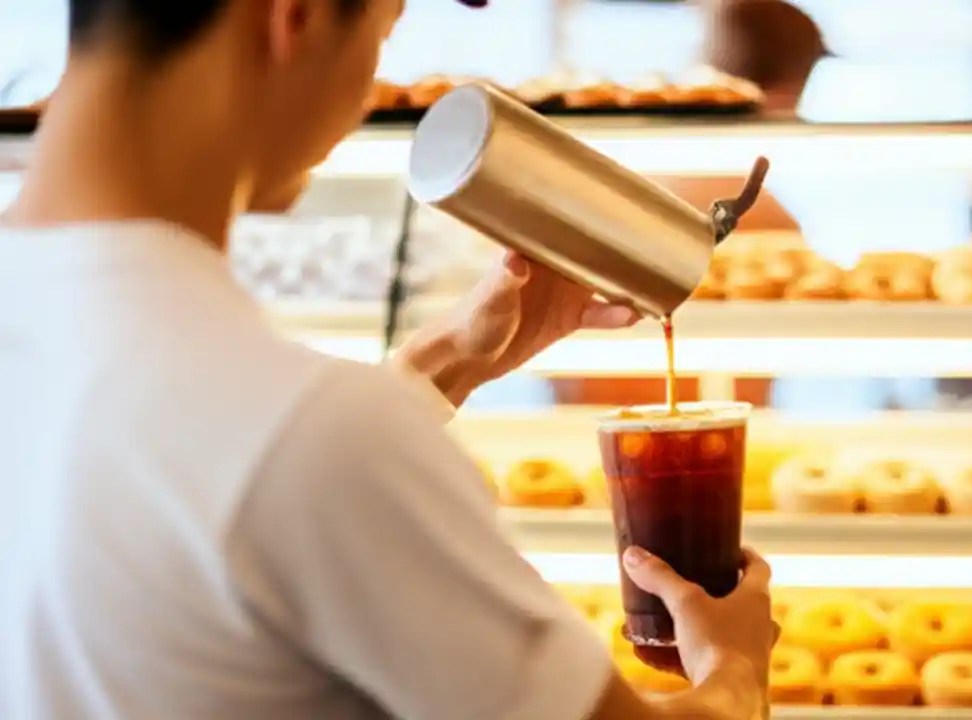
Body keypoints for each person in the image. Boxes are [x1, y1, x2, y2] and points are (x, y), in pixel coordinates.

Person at [0, 1, 777, 718]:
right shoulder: (308, 435)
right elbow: (285, 460)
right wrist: (733, 667)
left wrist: (453, 360)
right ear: (293, 18)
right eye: (383, 31)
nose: (369, 85)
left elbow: (224, 479)